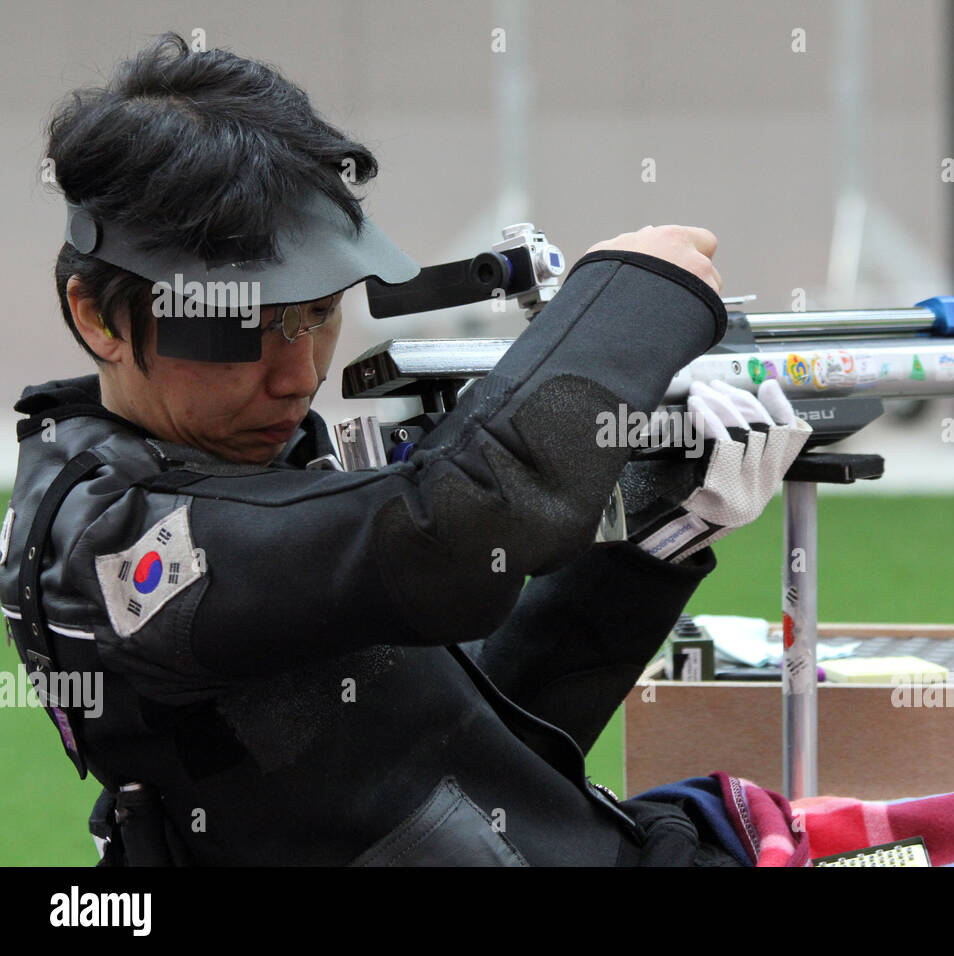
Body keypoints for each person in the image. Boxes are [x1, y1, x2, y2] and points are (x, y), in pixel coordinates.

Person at [0, 33, 812, 865]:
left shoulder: (238, 473)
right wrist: (631, 296)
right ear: (97, 316)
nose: (297, 375)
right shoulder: (119, 541)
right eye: (244, 328)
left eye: (316, 315)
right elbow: (453, 529)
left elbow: (458, 742)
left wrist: (651, 538)